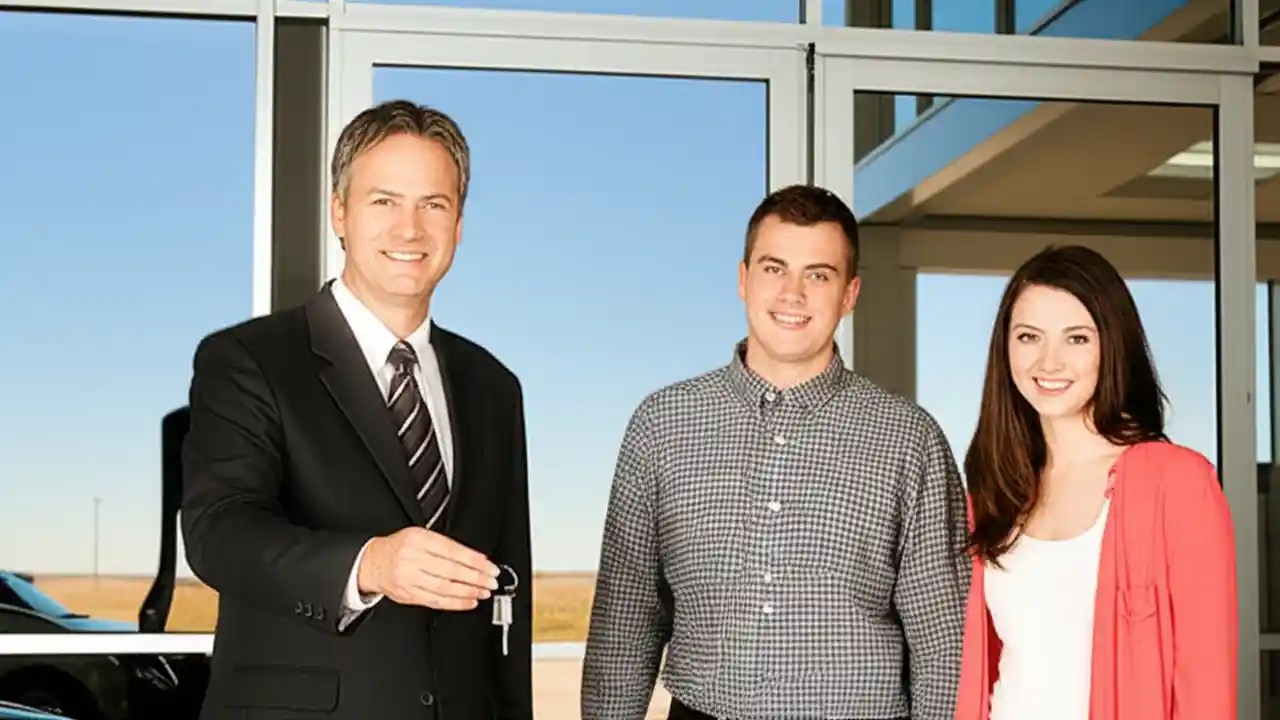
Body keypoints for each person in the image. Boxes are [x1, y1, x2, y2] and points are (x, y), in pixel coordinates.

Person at [180, 99, 532, 720]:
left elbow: (508, 594)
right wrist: (370, 564)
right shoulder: (248, 359)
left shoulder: (494, 386)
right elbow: (220, 534)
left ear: (459, 223)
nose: (410, 230)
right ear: (339, 212)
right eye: (383, 201)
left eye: (434, 205)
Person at [580, 184, 971, 720]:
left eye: (818, 275)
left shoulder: (909, 439)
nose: (793, 293)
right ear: (743, 279)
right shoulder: (662, 425)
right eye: (773, 268)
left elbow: (943, 641)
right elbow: (626, 621)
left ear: (850, 294)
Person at [953, 245, 1238, 720]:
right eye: (1028, 337)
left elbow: (1207, 688)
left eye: (1076, 339)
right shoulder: (992, 496)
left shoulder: (1178, 485)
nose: (1049, 361)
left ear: (1113, 345)